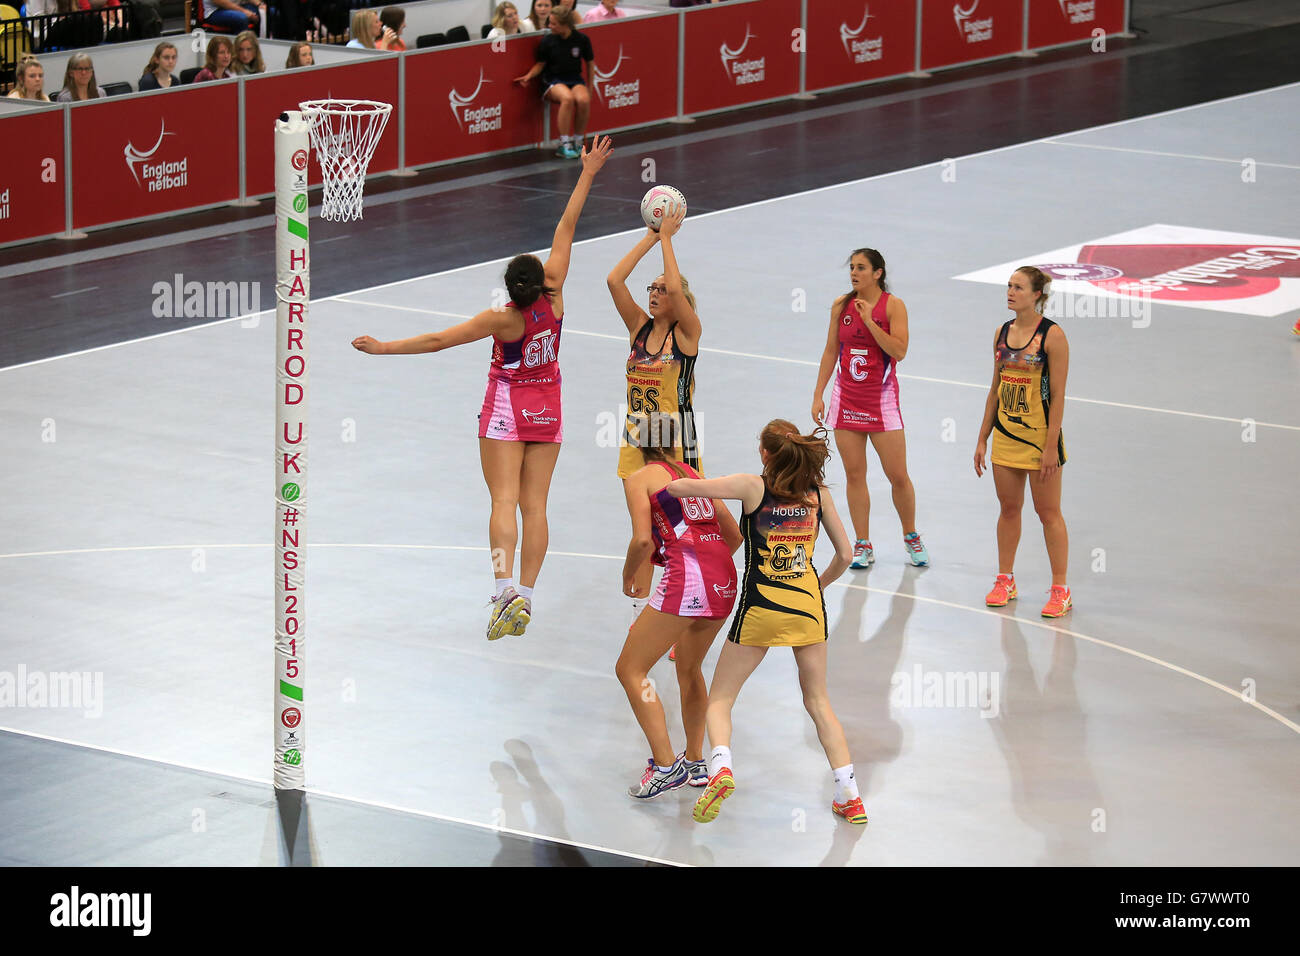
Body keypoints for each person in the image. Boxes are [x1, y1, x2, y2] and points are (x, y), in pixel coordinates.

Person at [351, 137, 615, 641]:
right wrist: (587, 174)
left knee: (501, 501)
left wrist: (384, 348)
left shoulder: (503, 320)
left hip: (507, 409)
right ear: (540, 282)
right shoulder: (555, 299)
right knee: (536, 506)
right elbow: (566, 228)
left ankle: (502, 588)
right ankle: (529, 596)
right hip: (549, 407)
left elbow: (438, 341)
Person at [664, 421, 866, 826]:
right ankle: (851, 796)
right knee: (819, 703)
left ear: (767, 454)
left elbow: (679, 491)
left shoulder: (752, 487)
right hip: (807, 607)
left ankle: (721, 767)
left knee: (721, 698)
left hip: (761, 606)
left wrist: (673, 466)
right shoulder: (818, 495)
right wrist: (817, 586)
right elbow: (846, 553)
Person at [618, 416, 742, 797]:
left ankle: (666, 764)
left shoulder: (639, 480)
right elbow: (734, 535)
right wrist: (708, 562)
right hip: (724, 579)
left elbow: (641, 541)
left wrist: (628, 578)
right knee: (690, 669)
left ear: (638, 445)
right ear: (677, 443)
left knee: (630, 670)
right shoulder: (695, 474)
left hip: (687, 581)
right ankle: (695, 761)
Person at [606, 202, 702, 630]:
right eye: (653, 287)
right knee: (642, 530)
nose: (655, 293)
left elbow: (679, 294)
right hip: (637, 436)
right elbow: (613, 279)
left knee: (680, 532)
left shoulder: (687, 334)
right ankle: (643, 618)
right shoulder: (638, 328)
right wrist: (649, 234)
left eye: (662, 289)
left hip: (676, 438)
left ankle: (684, 613)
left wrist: (667, 238)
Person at [812, 248, 928, 570]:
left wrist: (869, 322)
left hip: (881, 403)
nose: (854, 273)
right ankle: (862, 543)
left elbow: (899, 350)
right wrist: (818, 393)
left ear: (877, 273)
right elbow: (831, 350)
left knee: (897, 475)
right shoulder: (841, 305)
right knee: (854, 474)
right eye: (851, 267)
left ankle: (911, 535)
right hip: (846, 401)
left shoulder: (893, 305)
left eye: (861, 267)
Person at [973, 266, 1072, 618]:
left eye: (1018, 287)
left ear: (1037, 295)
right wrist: (983, 437)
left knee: (1048, 513)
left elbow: (1058, 396)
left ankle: (1060, 588)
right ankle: (1005, 579)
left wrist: (1050, 445)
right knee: (1008, 509)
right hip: (1006, 439)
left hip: (1039, 440)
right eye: (1009, 286)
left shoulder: (1053, 337)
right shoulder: (1002, 333)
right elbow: (995, 389)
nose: (1010, 292)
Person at [514, 7, 592, 159]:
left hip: (575, 79)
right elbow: (540, 64)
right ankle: (564, 144)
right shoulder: (548, 41)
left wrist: (590, 87)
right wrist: (528, 76)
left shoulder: (582, 40)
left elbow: (590, 64)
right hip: (552, 80)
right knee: (567, 98)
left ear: (565, 25)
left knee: (584, 100)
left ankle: (577, 141)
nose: (550, 26)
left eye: (554, 24)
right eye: (550, 23)